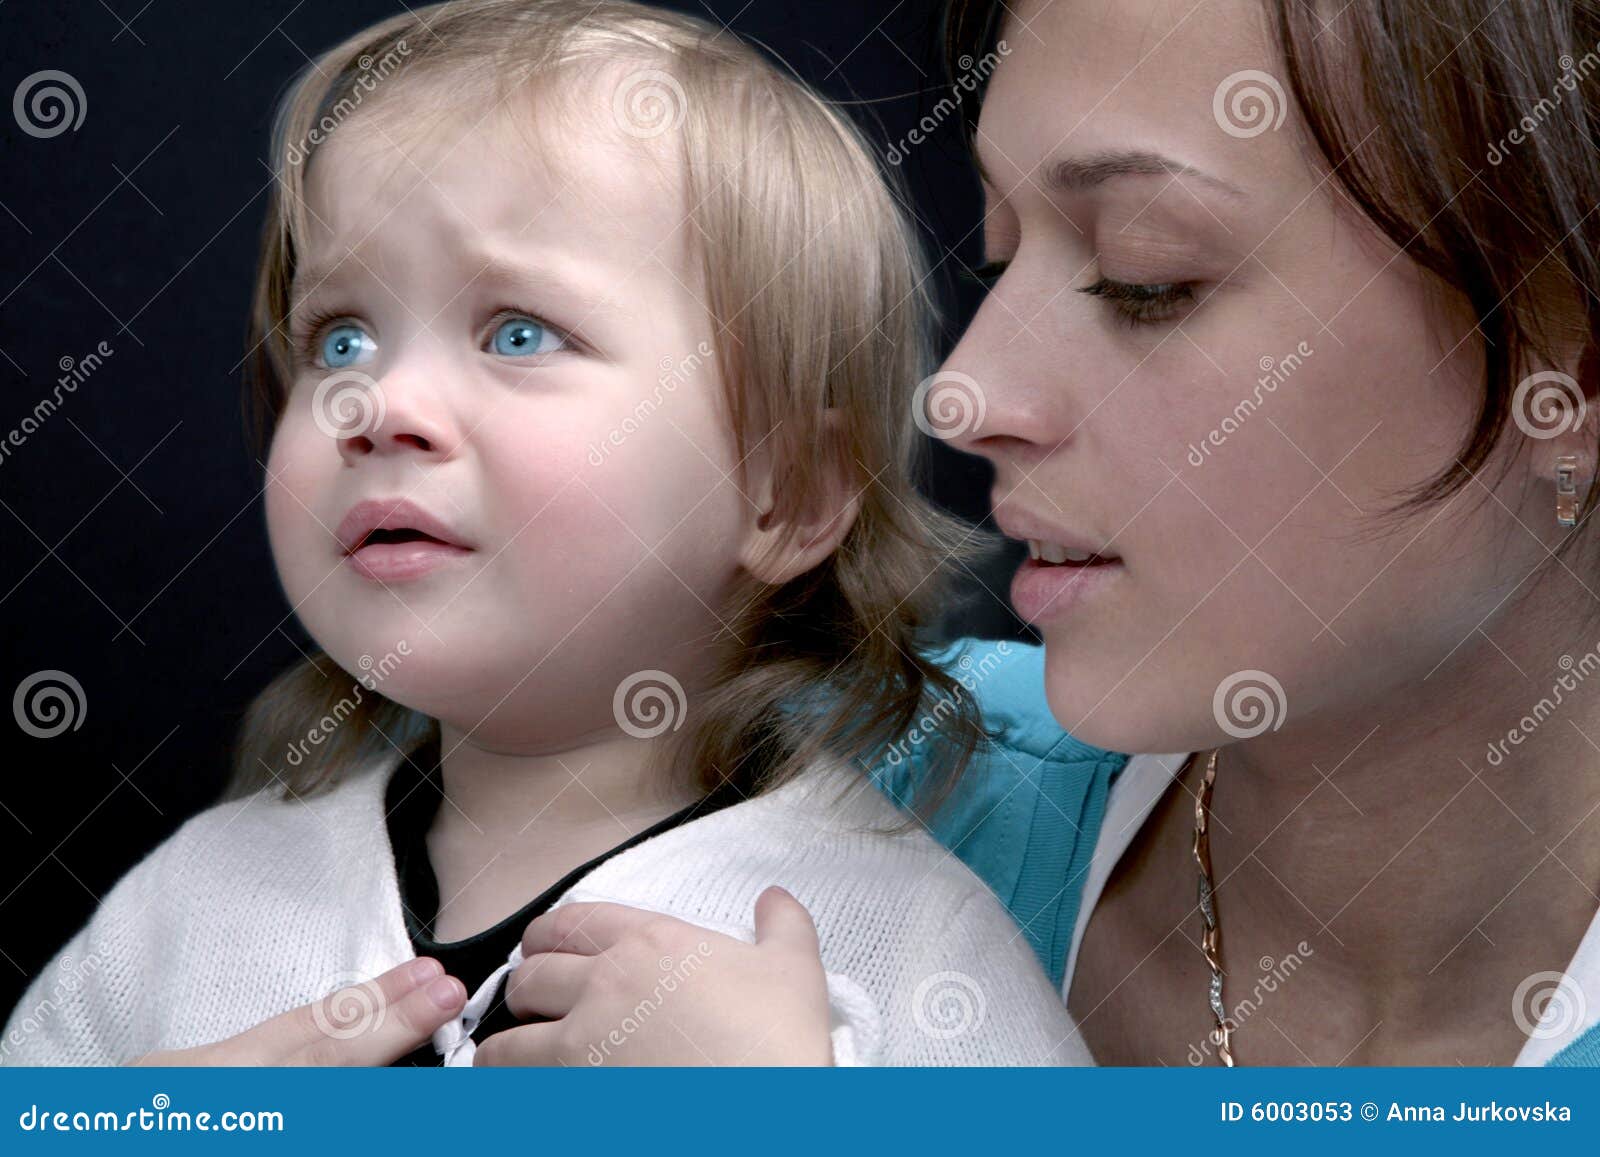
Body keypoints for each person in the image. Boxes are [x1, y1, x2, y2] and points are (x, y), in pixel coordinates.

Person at [0, 0, 1087, 1068]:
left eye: (517, 331)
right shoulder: (195, 902)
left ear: (786, 493)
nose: (375, 406)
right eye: (340, 338)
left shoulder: (901, 942)